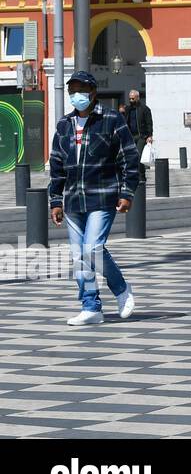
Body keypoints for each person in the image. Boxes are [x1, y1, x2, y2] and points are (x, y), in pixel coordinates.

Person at [48, 70, 139, 326]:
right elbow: (56, 164)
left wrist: (127, 193)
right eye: (72, 90)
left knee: (93, 249)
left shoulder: (111, 120)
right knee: (79, 255)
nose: (77, 95)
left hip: (103, 195)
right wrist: (55, 200)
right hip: (73, 200)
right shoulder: (64, 125)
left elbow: (129, 158)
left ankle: (121, 288)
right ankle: (91, 307)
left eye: (81, 90)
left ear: (93, 93)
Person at [125, 89, 153, 156]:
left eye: (133, 98)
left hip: (141, 136)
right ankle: (140, 167)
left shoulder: (144, 109)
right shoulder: (128, 109)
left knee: (138, 154)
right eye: (130, 99)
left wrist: (150, 136)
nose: (131, 100)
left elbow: (149, 123)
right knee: (132, 155)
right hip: (131, 136)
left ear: (137, 98)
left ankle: (140, 166)